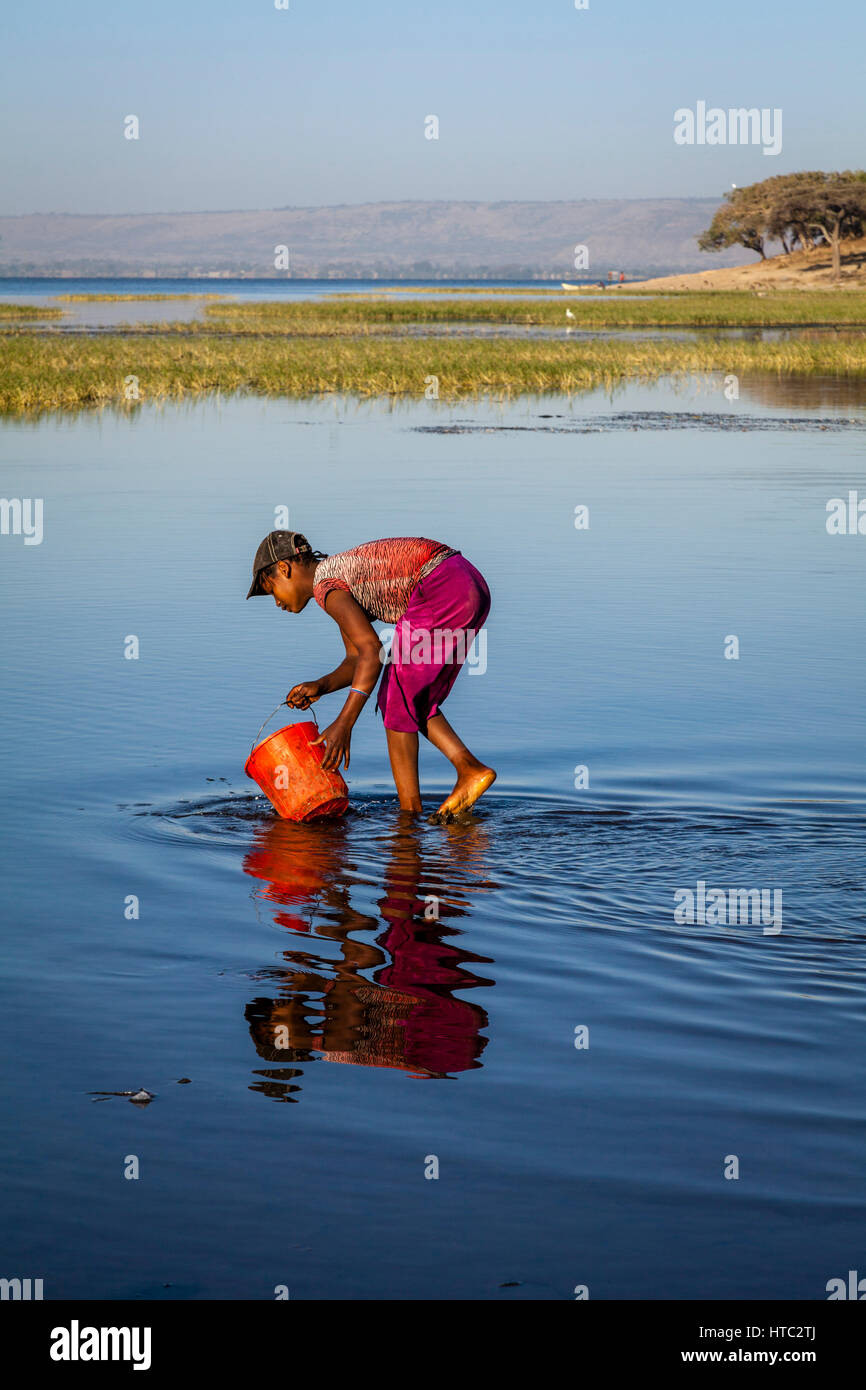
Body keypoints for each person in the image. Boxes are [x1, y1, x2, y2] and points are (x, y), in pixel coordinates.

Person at [246, 531, 495, 820]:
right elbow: (357, 659)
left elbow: (371, 651)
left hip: (441, 584)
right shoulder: (337, 582)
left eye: (271, 589)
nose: (276, 602)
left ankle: (408, 820)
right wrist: (321, 686)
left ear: (284, 569)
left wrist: (344, 722)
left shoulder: (327, 587)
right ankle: (469, 770)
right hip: (467, 583)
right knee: (409, 699)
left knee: (395, 697)